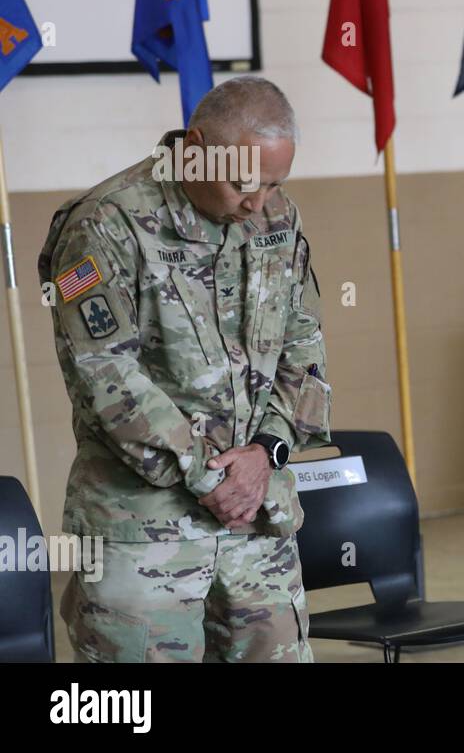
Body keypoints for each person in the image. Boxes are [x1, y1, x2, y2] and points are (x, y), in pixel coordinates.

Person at [39, 76, 330, 662]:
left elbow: (304, 341)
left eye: (275, 183)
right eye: (244, 182)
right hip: (144, 528)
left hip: (257, 519)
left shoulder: (276, 217)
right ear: (197, 146)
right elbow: (105, 375)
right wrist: (211, 477)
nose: (257, 202)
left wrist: (266, 453)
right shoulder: (106, 223)